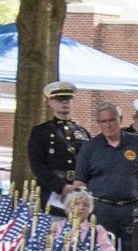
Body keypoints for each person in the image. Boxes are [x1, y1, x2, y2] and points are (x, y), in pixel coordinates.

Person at [73, 101, 138, 251]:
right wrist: (79, 211)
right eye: (103, 122)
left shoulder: (137, 143)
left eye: (112, 120)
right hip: (102, 209)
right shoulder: (90, 147)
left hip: (133, 209)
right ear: (98, 123)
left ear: (120, 120)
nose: (108, 125)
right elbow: (79, 182)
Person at [26, 81, 91, 216]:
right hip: (52, 192)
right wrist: (61, 187)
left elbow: (90, 162)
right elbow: (37, 166)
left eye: (68, 99)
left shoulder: (83, 133)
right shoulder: (41, 132)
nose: (65, 103)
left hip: (80, 191)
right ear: (50, 102)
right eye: (59, 99)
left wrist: (81, 184)